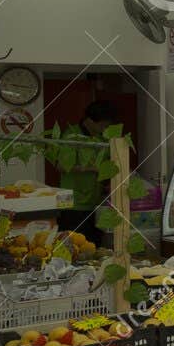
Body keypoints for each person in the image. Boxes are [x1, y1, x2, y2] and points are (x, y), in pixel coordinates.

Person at [58, 99, 120, 244]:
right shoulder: (71, 136)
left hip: (96, 202)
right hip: (72, 204)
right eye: (103, 124)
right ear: (90, 120)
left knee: (94, 246)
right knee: (73, 246)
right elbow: (61, 166)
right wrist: (94, 169)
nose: (105, 128)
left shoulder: (102, 138)